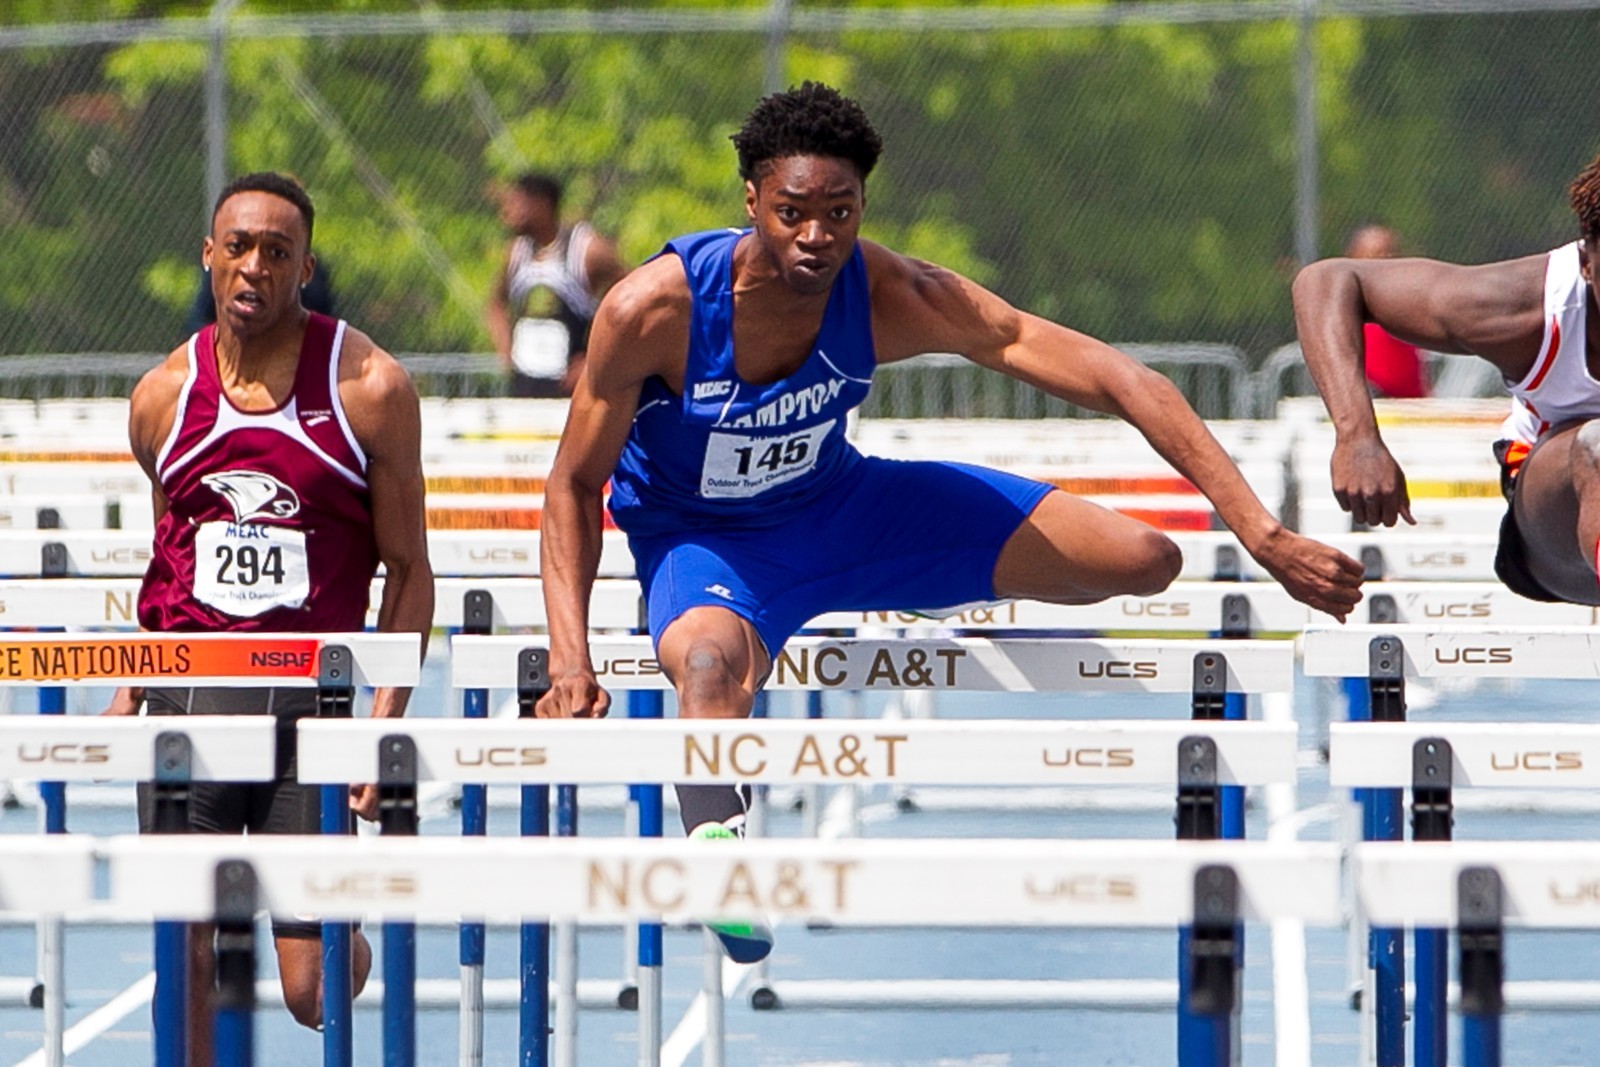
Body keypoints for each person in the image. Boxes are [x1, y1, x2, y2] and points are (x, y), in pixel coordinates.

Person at [534, 82, 1365, 962]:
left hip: (846, 510)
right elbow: (569, 486)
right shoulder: (654, 311)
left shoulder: (891, 292)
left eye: (840, 213)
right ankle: (722, 867)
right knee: (704, 664)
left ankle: (930, 581)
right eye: (792, 213)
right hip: (708, 542)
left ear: (862, 207)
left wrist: (1261, 534)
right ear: (752, 202)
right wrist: (570, 658)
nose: (817, 237)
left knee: (1144, 559)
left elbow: (1124, 379)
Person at [105, 171, 435, 1052]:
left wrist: (380, 721)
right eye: (239, 247)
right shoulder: (161, 400)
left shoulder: (369, 388)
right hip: (191, 705)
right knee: (189, 961)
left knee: (310, 989)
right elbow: (172, 555)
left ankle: (336, 917)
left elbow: (408, 570)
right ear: (209, 256)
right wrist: (139, 672)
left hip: (308, 717)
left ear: (304, 267)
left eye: (277, 253)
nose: (255, 267)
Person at [1293, 151, 1600, 605]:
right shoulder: (1524, 307)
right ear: (1587, 265)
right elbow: (1328, 281)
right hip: (1553, 524)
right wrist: (1357, 435)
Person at [485, 172, 627, 398]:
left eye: (515, 203)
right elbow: (495, 304)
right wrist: (507, 352)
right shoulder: (516, 252)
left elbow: (629, 299)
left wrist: (593, 358)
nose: (506, 213)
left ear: (541, 203)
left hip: (574, 392)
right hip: (525, 387)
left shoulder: (586, 249)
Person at [1342, 224, 1429, 399]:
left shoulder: (1406, 303)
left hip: (1410, 405)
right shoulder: (1346, 307)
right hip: (1370, 402)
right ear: (1353, 258)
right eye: (1374, 256)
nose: (1384, 262)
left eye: (1391, 254)